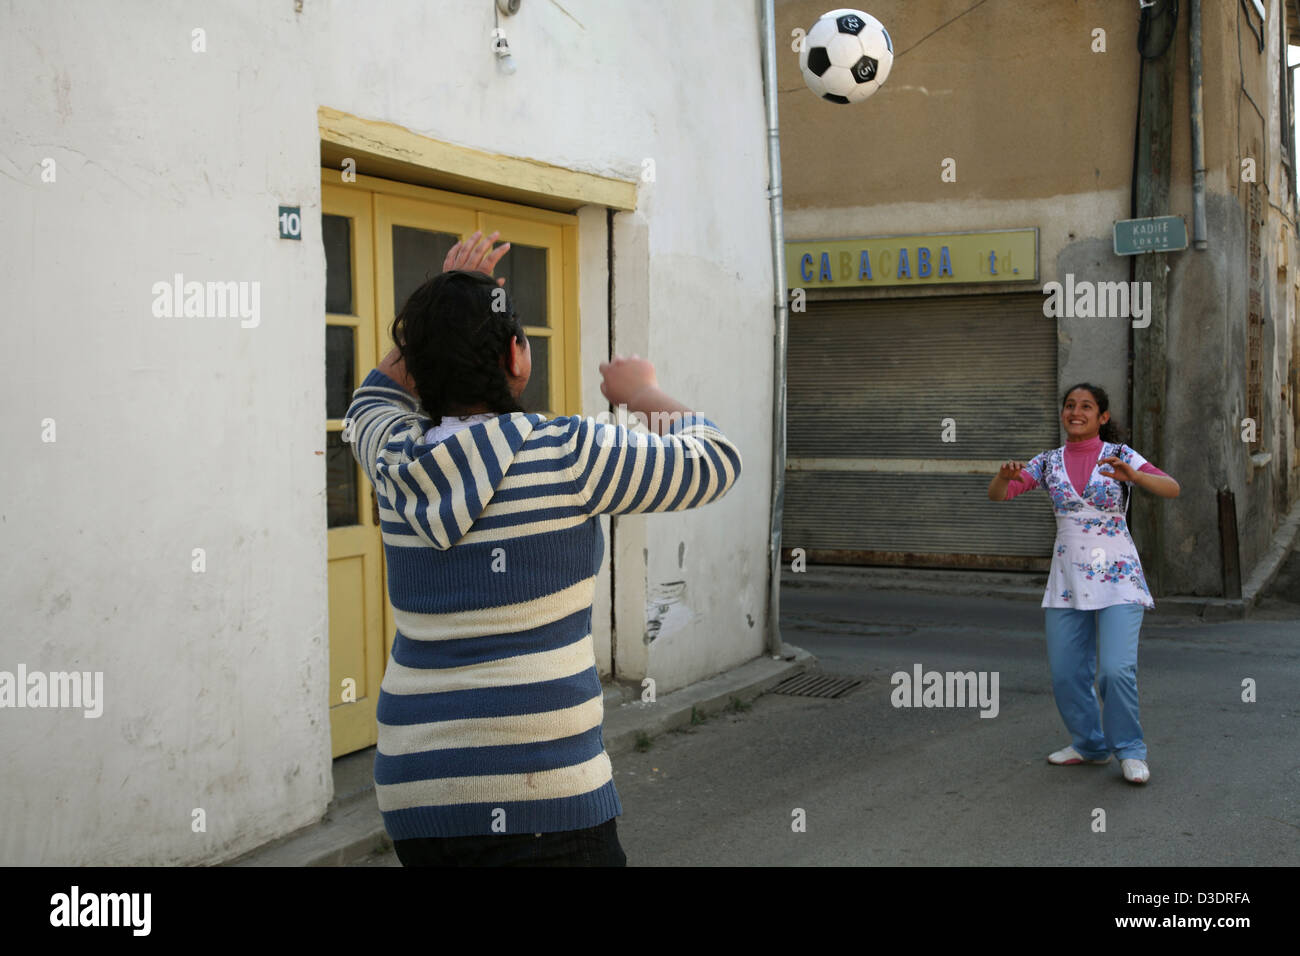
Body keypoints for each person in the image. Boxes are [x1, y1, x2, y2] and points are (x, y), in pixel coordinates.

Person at [343, 231, 742, 865]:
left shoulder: (392, 456)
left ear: (415, 370)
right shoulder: (569, 452)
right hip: (548, 791)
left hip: (420, 798)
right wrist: (640, 392)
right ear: (518, 357)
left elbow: (372, 397)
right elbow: (714, 461)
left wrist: (441, 304)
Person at [988, 383, 1179, 785]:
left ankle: (1129, 749)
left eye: (1087, 406)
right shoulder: (1048, 461)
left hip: (1118, 575)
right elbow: (998, 496)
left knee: (1115, 669)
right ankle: (1090, 746)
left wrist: (1136, 477)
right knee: (1066, 673)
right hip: (1067, 576)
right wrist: (1002, 478)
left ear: (1102, 417)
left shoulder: (1120, 455)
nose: (1076, 412)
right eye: (1070, 405)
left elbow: (1172, 488)